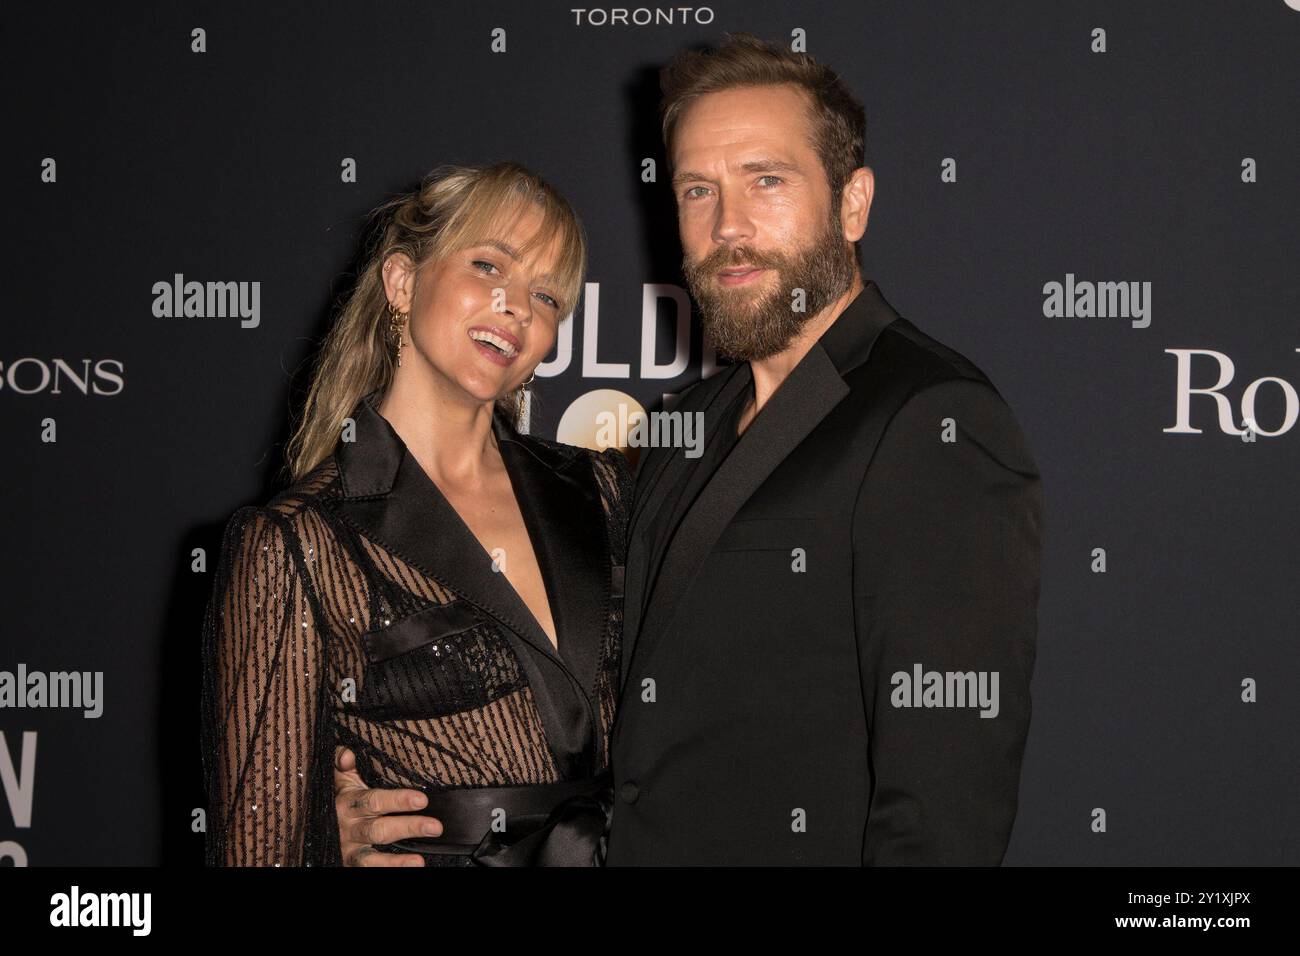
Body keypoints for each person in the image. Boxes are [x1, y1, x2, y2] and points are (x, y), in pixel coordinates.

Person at [334, 34, 1044, 866]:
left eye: (766, 183)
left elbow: (942, 815)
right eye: (697, 190)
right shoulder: (683, 429)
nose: (727, 226)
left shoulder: (930, 420)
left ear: (854, 204)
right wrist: (359, 811)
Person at [200, 161, 631, 867]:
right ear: (401, 282)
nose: (519, 306)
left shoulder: (600, 490)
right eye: (489, 264)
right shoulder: (302, 540)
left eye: (548, 296)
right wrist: (321, 839)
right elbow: (256, 851)